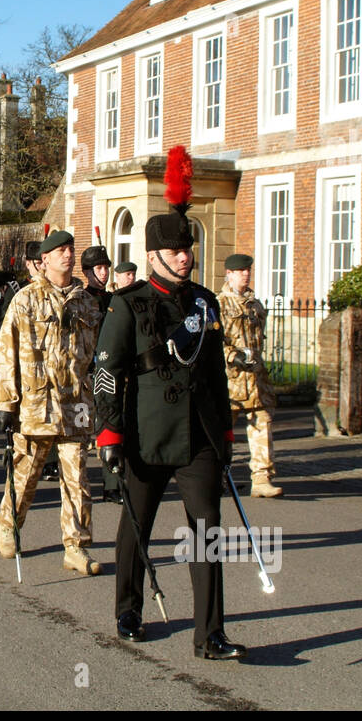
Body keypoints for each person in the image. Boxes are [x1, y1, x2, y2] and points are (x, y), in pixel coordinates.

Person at [93, 146, 246, 660]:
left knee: (208, 531)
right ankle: (128, 610)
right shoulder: (128, 302)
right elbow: (106, 371)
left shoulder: (205, 301)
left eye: (189, 248)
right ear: (154, 254)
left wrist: (224, 432)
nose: (186, 255)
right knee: (137, 524)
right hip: (143, 432)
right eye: (176, 250)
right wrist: (110, 432)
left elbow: (216, 374)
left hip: (198, 435)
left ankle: (211, 633)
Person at [0, 229, 104, 574]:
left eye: (70, 249)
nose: (67, 255)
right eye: (59, 250)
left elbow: (98, 356)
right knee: (26, 472)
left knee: (77, 477)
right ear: (44, 260)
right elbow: (7, 351)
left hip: (76, 403)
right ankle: (9, 525)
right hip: (36, 402)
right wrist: (6, 403)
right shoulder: (26, 300)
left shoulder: (87, 302)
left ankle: (76, 545)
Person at [219, 253, 283, 498]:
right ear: (230, 274)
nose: (246, 274)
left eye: (248, 270)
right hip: (231, 380)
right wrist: (230, 355)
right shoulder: (220, 304)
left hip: (256, 380)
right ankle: (217, 476)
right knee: (223, 431)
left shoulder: (255, 304)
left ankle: (262, 477)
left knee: (262, 424)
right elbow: (214, 341)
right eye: (241, 271)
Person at [81, 242, 120, 504]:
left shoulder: (115, 300)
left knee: (110, 424)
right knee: (82, 431)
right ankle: (78, 482)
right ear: (87, 272)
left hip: (109, 373)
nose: (104, 272)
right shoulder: (82, 300)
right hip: (87, 372)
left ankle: (112, 484)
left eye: (106, 267)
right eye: (98, 268)